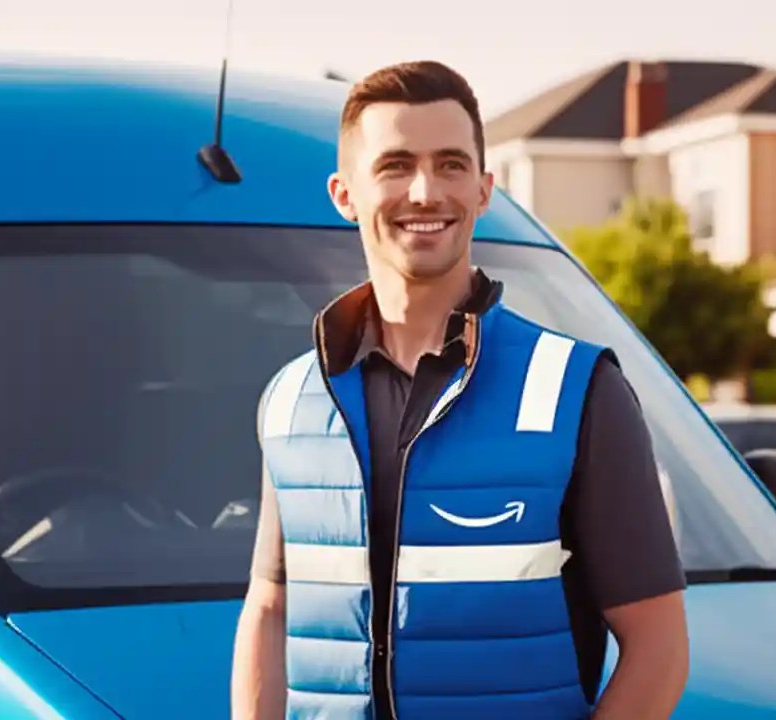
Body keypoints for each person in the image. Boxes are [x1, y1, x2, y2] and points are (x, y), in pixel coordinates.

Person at [230, 60, 688, 720]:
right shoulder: (292, 400)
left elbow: (658, 649)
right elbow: (270, 611)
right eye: (394, 166)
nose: (425, 191)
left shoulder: (576, 390)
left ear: (483, 189)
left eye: (450, 164)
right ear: (344, 193)